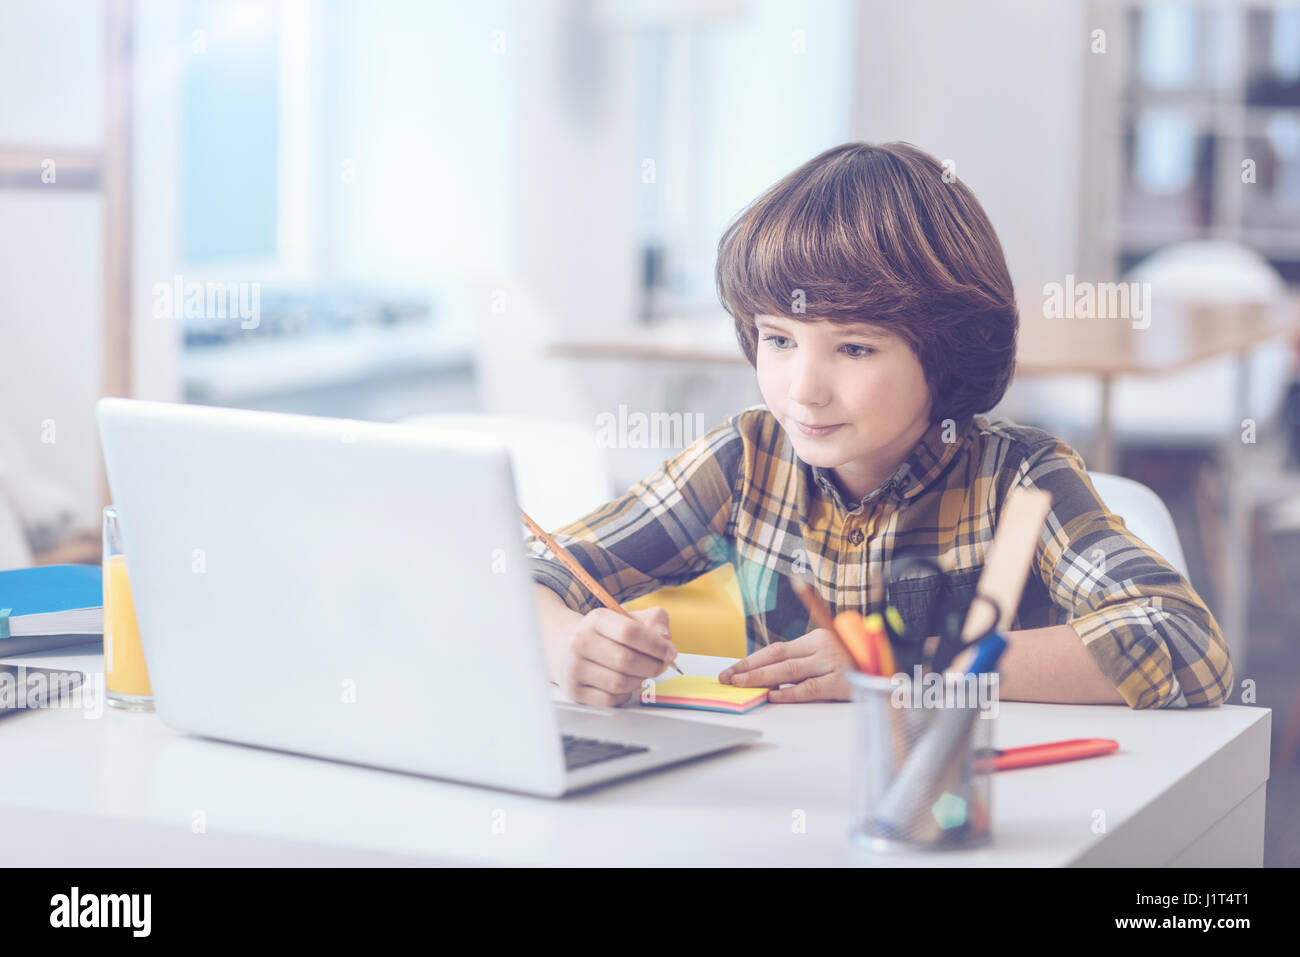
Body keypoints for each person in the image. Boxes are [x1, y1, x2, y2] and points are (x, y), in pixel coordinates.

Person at [527, 141, 1233, 711]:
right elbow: (524, 569)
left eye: (855, 348)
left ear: (946, 347)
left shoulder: (1018, 480)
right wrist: (567, 645)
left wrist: (899, 661)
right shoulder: (748, 460)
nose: (802, 388)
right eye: (778, 339)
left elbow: (1185, 642)